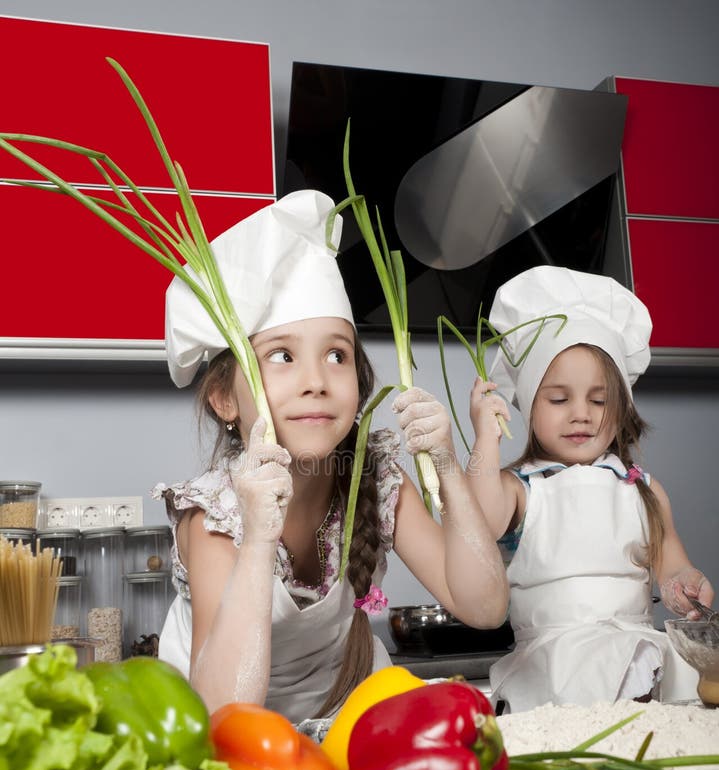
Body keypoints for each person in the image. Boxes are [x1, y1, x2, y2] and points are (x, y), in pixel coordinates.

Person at [153, 190, 508, 722]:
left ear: (359, 382)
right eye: (282, 356)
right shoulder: (214, 515)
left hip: (344, 722)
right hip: (233, 744)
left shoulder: (376, 478)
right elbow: (224, 711)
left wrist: (448, 469)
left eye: (336, 354)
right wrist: (256, 540)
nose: (315, 381)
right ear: (225, 398)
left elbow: (483, 607)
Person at [468, 266, 714, 714]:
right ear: (527, 403)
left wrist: (686, 585)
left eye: (598, 400)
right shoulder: (518, 490)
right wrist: (486, 437)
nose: (581, 414)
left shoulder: (643, 490)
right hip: (554, 661)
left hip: (640, 652)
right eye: (559, 399)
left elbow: (673, 566)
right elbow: (476, 525)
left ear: (621, 407)